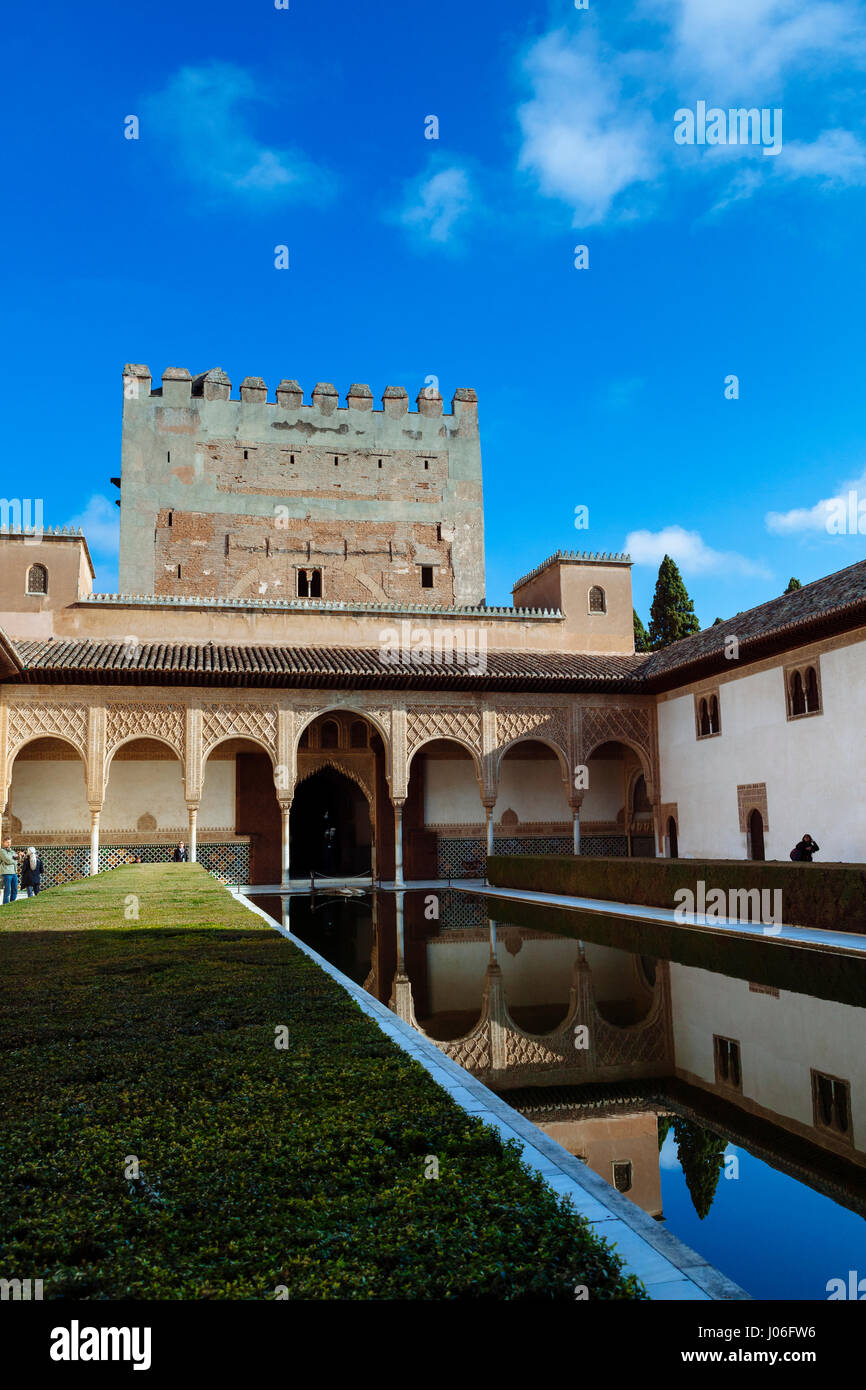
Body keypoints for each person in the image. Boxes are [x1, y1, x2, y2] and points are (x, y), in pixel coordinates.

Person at [0, 837, 19, 903]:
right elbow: (7, 860)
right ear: (3, 843)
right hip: (6, 873)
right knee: (7, 890)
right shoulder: (2, 851)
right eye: (7, 842)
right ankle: (6, 904)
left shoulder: (12, 851)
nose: (9, 844)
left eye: (10, 842)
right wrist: (14, 860)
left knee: (15, 890)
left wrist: (19, 856)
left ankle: (12, 903)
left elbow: (17, 859)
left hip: (14, 873)